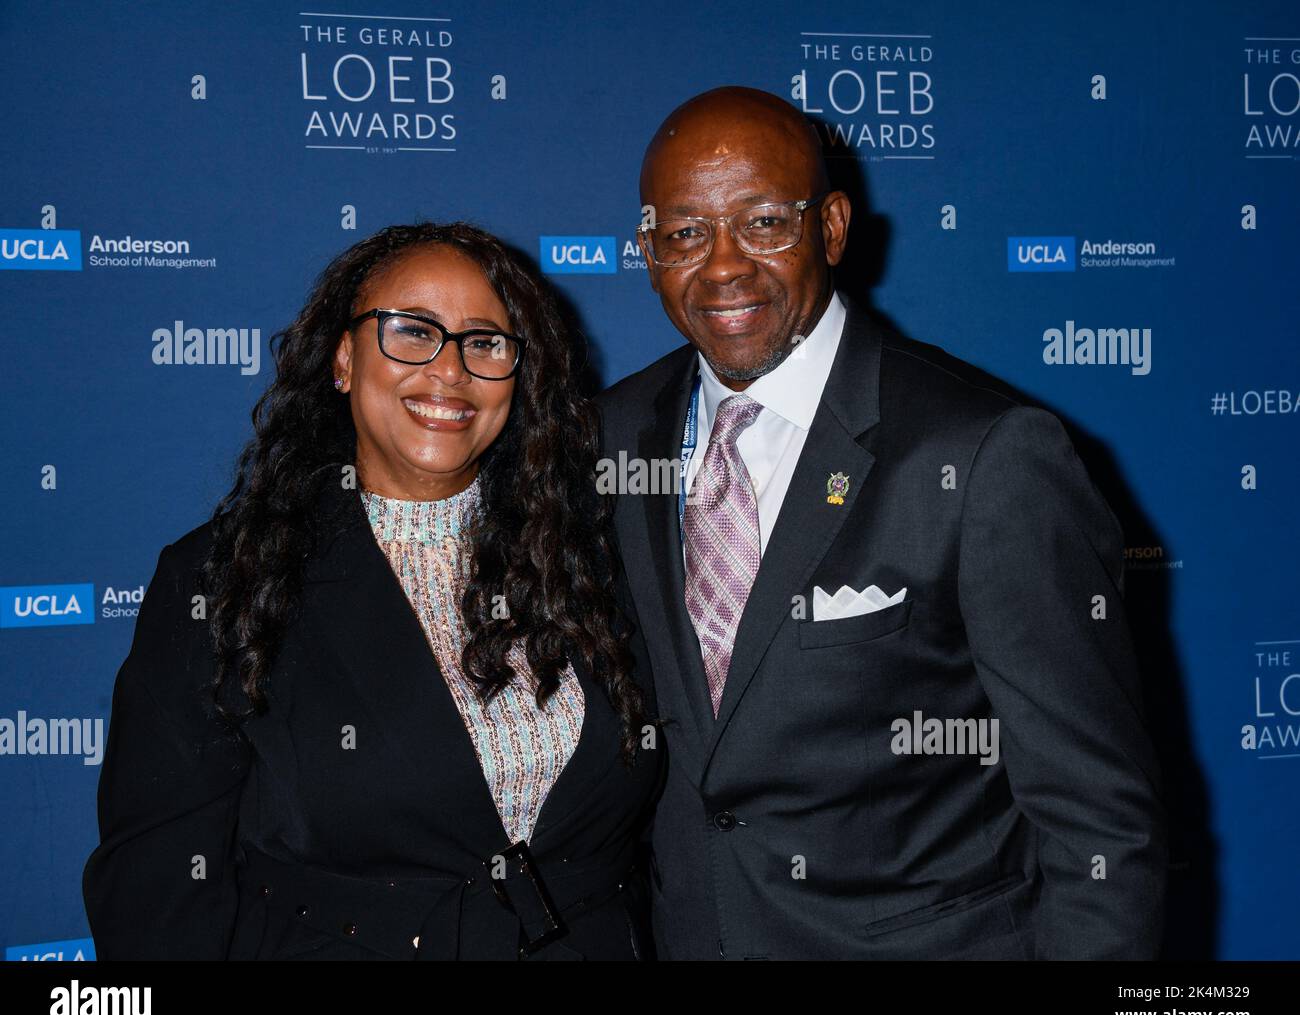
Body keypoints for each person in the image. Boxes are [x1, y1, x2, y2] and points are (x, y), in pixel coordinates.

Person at [598, 86, 1168, 960]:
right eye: (683, 232)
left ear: (830, 227)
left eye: (762, 223)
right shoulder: (607, 436)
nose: (722, 267)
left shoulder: (984, 452)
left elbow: (1099, 820)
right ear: (646, 249)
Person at [83, 221, 662, 960]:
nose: (450, 369)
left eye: (484, 342)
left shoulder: (589, 553)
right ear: (344, 359)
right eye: (412, 332)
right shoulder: (223, 580)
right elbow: (155, 888)